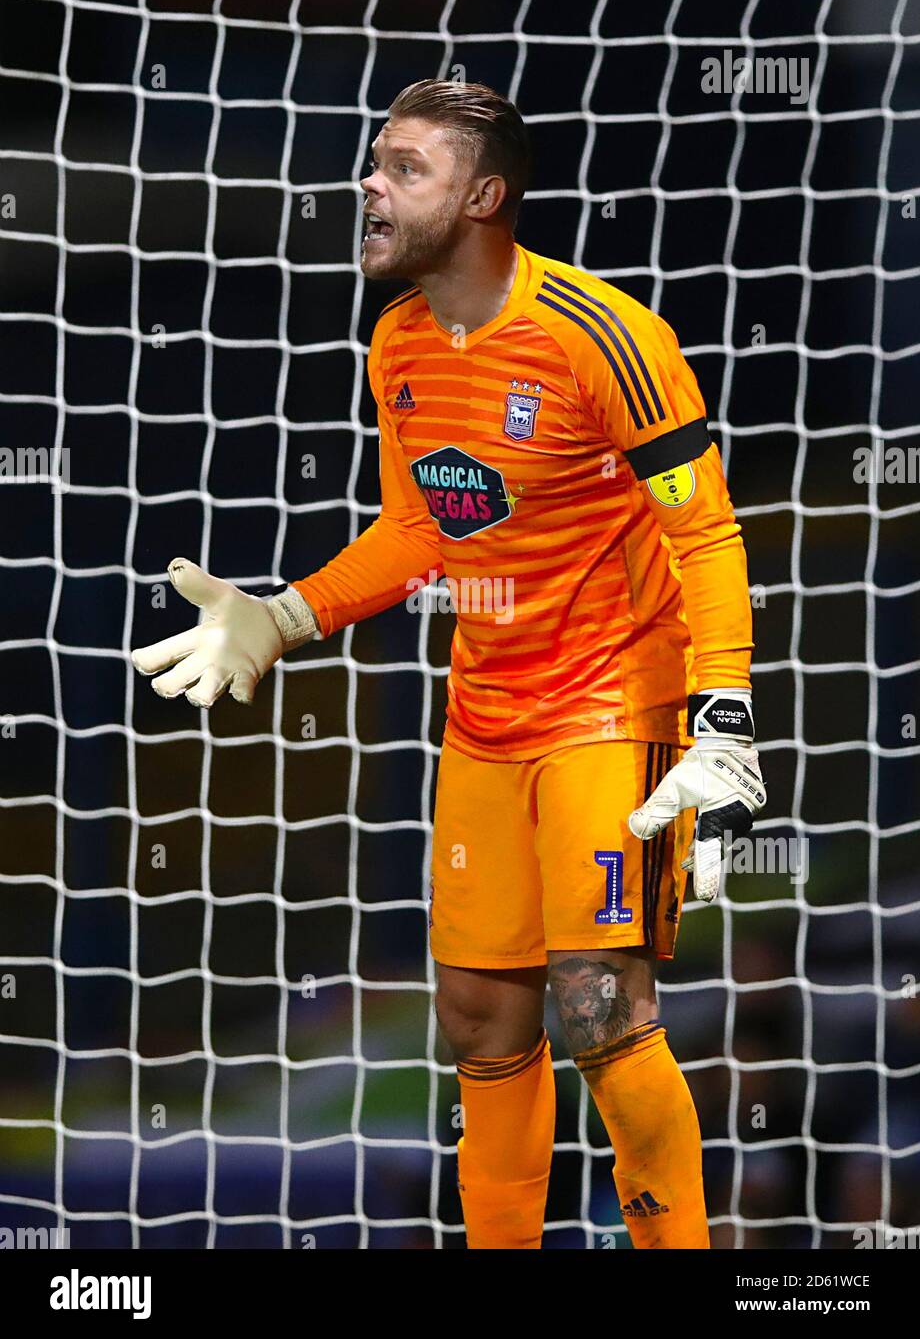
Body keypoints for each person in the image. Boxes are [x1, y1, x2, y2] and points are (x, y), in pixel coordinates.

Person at [132, 78, 766, 1250]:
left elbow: (704, 530)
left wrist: (721, 708)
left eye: (403, 169)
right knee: (480, 1021)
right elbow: (425, 527)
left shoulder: (606, 336)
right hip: (485, 714)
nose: (369, 184)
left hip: (614, 695)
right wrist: (283, 616)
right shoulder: (400, 344)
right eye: (374, 162)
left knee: (594, 1004)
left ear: (483, 196)